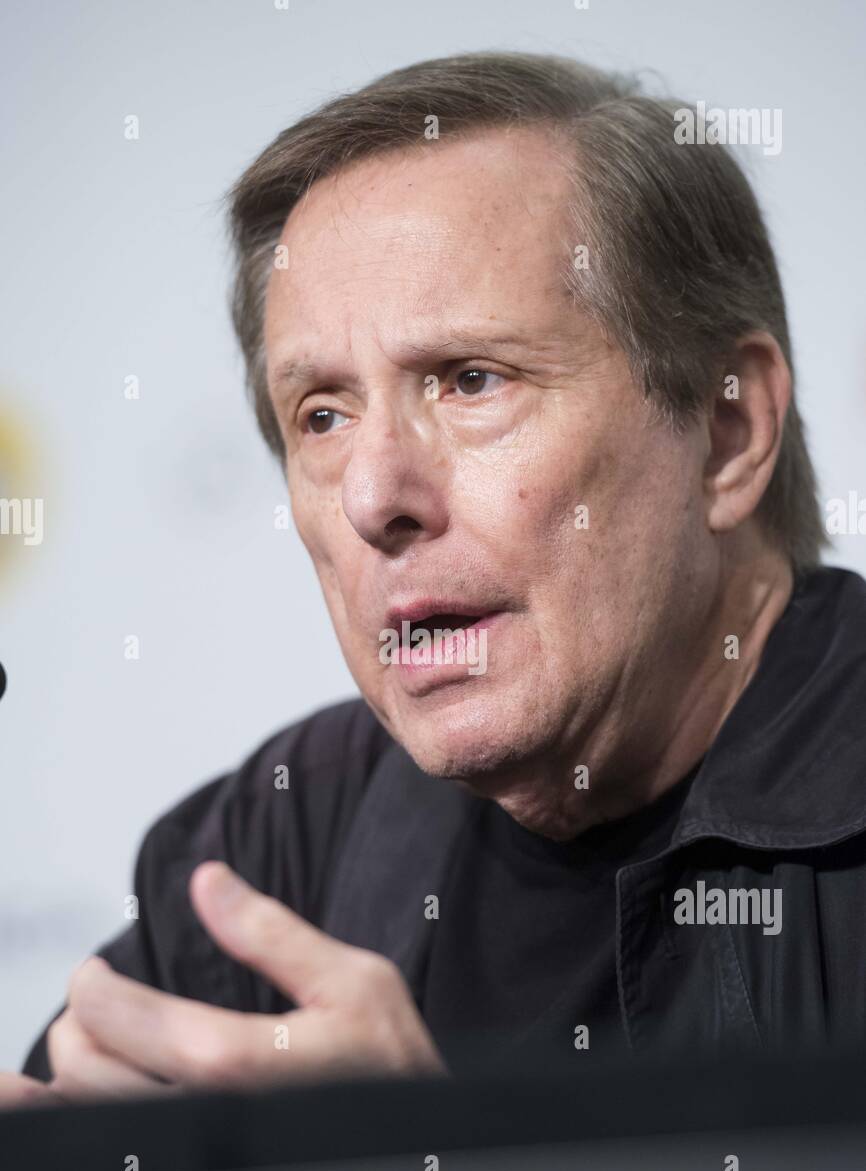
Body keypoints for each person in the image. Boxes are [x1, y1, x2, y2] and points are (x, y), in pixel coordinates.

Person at [5, 50, 865, 1107]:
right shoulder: (277, 845)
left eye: (469, 381)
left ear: (727, 431)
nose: (374, 496)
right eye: (321, 415)